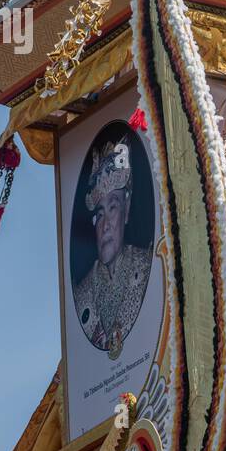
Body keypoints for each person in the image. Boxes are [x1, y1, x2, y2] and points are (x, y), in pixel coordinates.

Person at [74, 139, 153, 356]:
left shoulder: (148, 267)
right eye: (100, 214)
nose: (106, 224)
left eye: (113, 208)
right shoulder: (82, 295)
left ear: (126, 211)